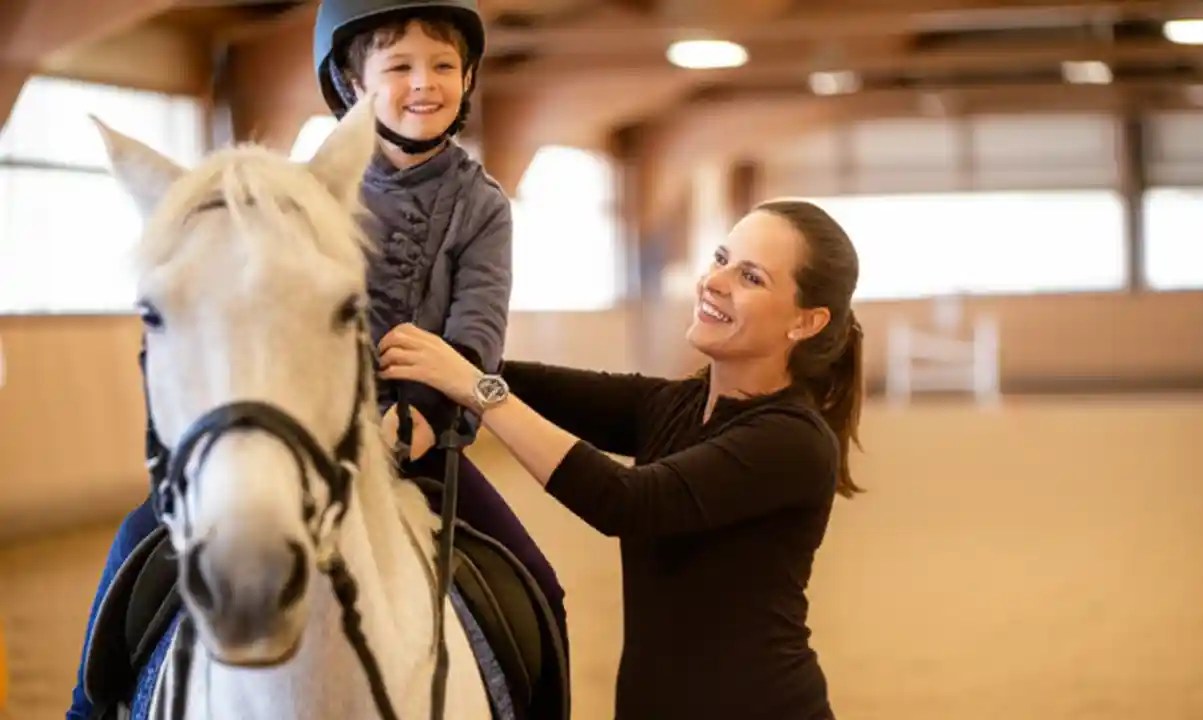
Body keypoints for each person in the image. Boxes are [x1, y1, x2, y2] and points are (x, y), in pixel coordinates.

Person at [67, 1, 566, 717]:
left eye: (443, 66)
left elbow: (478, 325)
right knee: (134, 548)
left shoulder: (482, 206)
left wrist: (424, 417)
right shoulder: (294, 198)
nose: (424, 83)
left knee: (536, 582)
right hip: (303, 436)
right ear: (351, 82)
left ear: (468, 78)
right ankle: (89, 706)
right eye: (400, 67)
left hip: (426, 447)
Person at [379, 199, 865, 720]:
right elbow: (521, 380)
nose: (715, 281)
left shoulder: (794, 440)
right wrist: (436, 344)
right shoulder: (672, 406)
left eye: (750, 277)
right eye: (721, 258)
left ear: (807, 321)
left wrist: (478, 389)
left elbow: (626, 502)